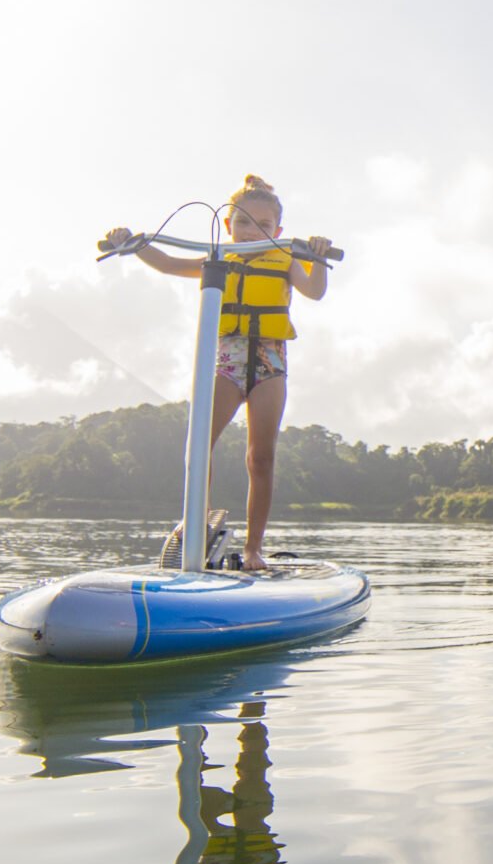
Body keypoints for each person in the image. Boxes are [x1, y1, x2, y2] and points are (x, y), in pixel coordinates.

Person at [103, 175, 331, 571]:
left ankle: (254, 549)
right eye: (243, 222)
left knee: (260, 457)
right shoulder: (218, 259)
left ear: (278, 231)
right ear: (228, 225)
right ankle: (196, 526)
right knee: (198, 446)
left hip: (269, 366)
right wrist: (134, 243)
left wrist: (320, 257)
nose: (251, 232)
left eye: (263, 225)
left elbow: (314, 290)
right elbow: (168, 263)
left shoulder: (286, 259)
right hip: (226, 364)